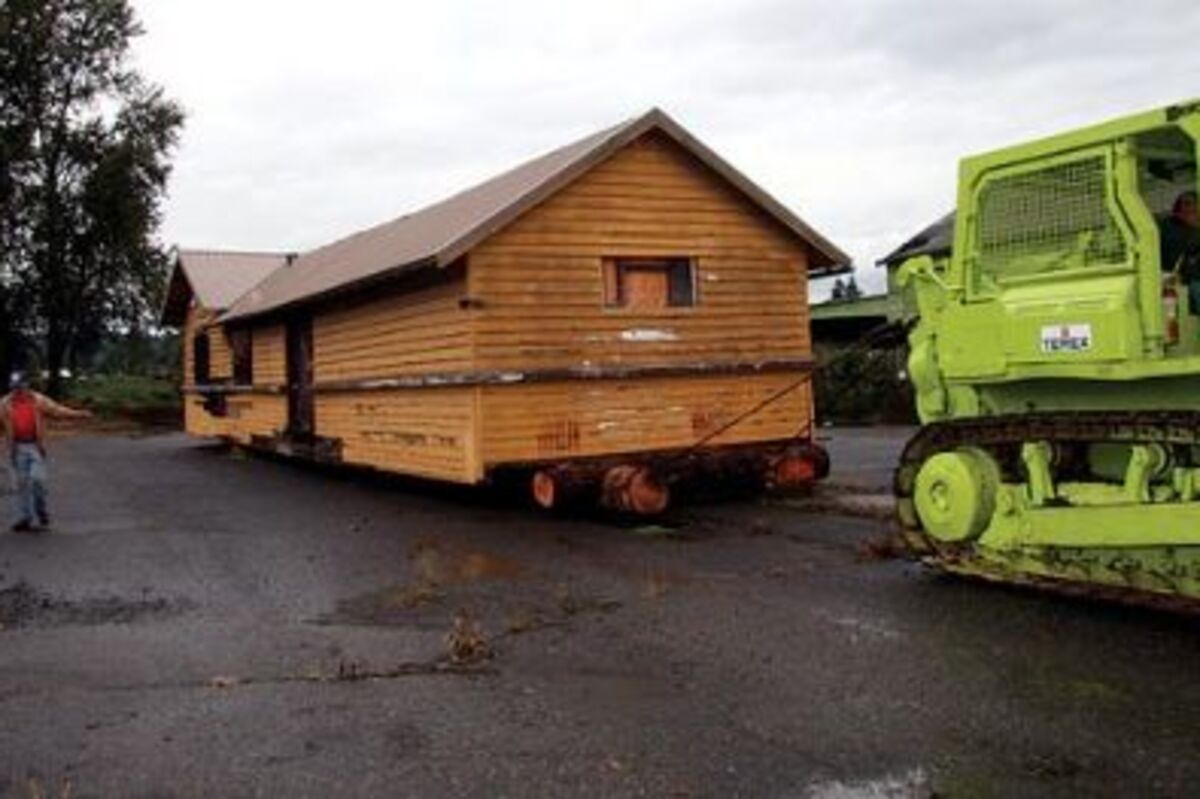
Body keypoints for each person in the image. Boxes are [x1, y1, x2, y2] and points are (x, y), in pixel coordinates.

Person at [1, 372, 92, 533]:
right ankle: (26, 518)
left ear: (26, 385)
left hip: (35, 447)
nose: (17, 390)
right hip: (18, 447)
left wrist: (79, 414)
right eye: (14, 387)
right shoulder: (5, 403)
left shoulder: (38, 400)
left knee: (38, 480)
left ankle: (41, 511)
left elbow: (58, 410)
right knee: (22, 484)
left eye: (20, 386)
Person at [1160, 190, 1200, 313]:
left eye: (1194, 204)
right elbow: (1179, 251)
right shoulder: (1170, 226)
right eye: (1187, 204)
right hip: (1180, 278)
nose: (1191, 208)